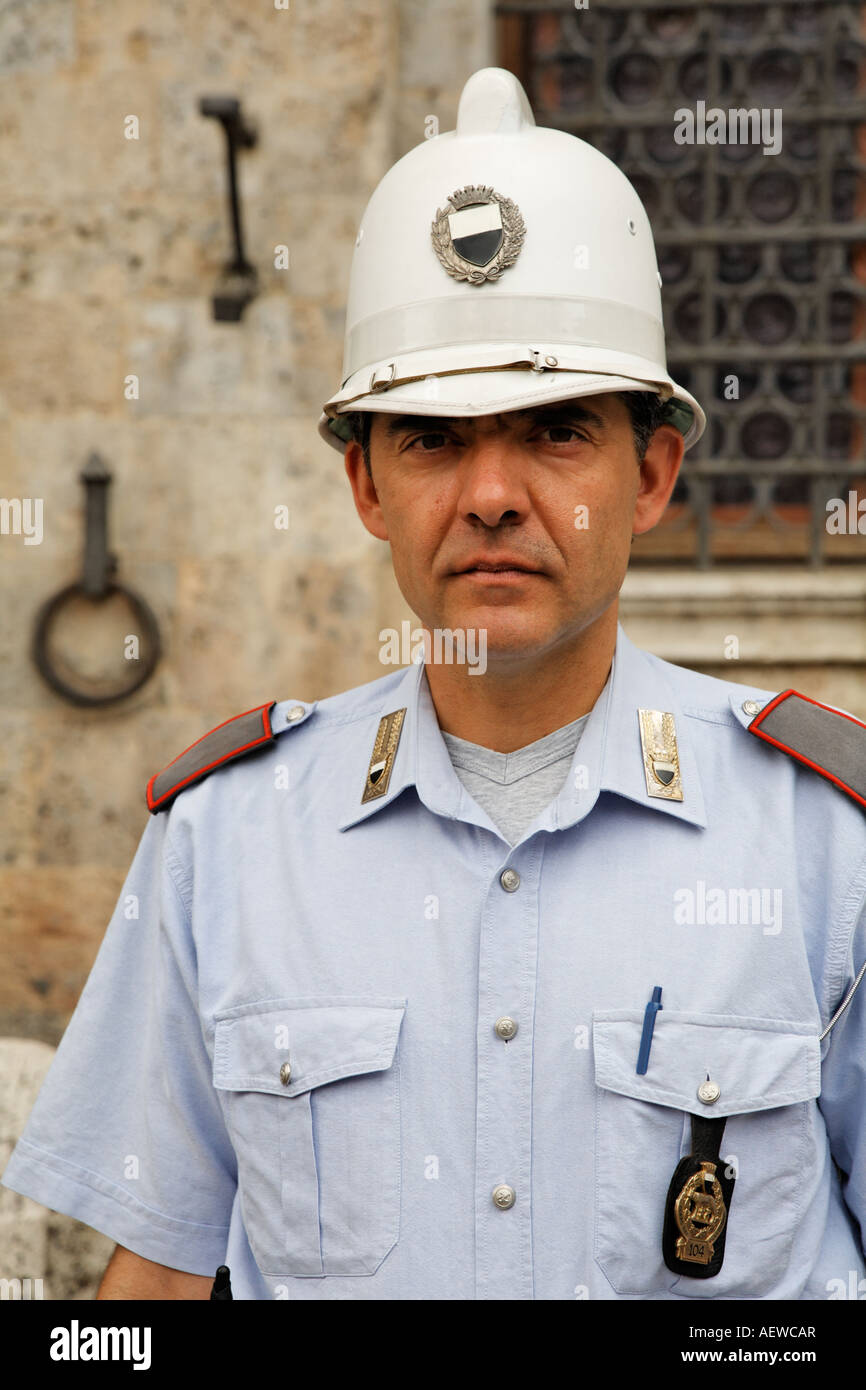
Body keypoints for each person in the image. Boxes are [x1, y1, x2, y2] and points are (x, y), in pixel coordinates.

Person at [3, 67, 864, 1302]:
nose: (492, 493)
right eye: (432, 438)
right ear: (365, 488)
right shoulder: (227, 840)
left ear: (654, 474)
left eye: (556, 427)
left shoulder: (821, 840)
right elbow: (156, 1284)